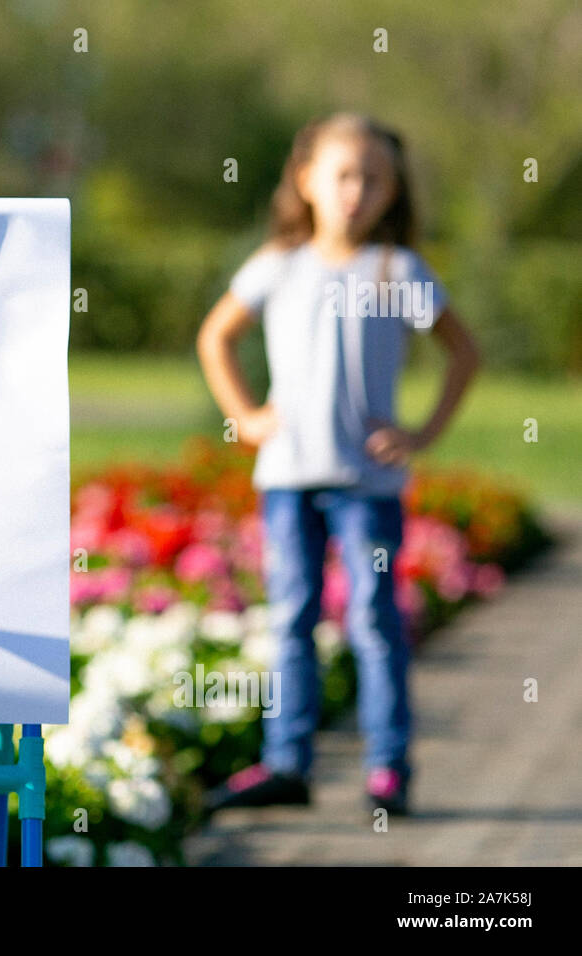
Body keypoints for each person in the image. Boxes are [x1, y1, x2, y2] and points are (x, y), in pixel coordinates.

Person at [196, 112, 480, 817]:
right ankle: (285, 765)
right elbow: (216, 338)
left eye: (374, 179)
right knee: (290, 617)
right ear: (307, 180)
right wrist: (246, 417)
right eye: (344, 174)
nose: (357, 191)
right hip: (289, 481)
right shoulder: (276, 267)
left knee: (374, 623)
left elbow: (462, 352)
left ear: (392, 191)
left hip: (367, 488)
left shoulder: (398, 271)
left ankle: (388, 768)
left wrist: (421, 433)